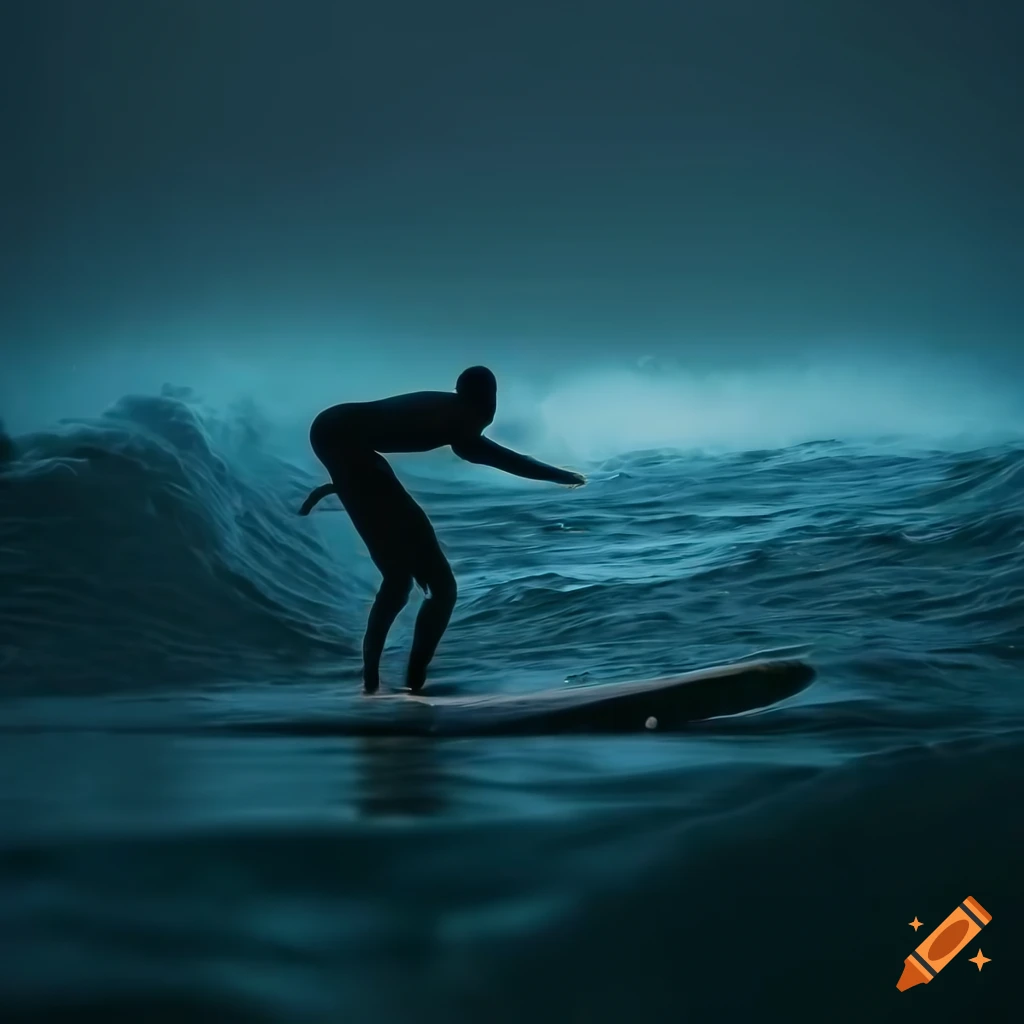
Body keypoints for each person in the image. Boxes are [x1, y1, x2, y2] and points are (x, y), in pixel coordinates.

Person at [300, 366, 586, 693]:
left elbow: (492, 454)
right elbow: (503, 458)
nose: (490, 409)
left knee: (403, 579)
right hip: (340, 437)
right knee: (434, 585)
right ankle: (401, 683)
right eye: (488, 400)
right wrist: (564, 477)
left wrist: (347, 485)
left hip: (341, 439)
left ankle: (382, 682)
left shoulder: (457, 414)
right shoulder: (460, 416)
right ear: (481, 398)